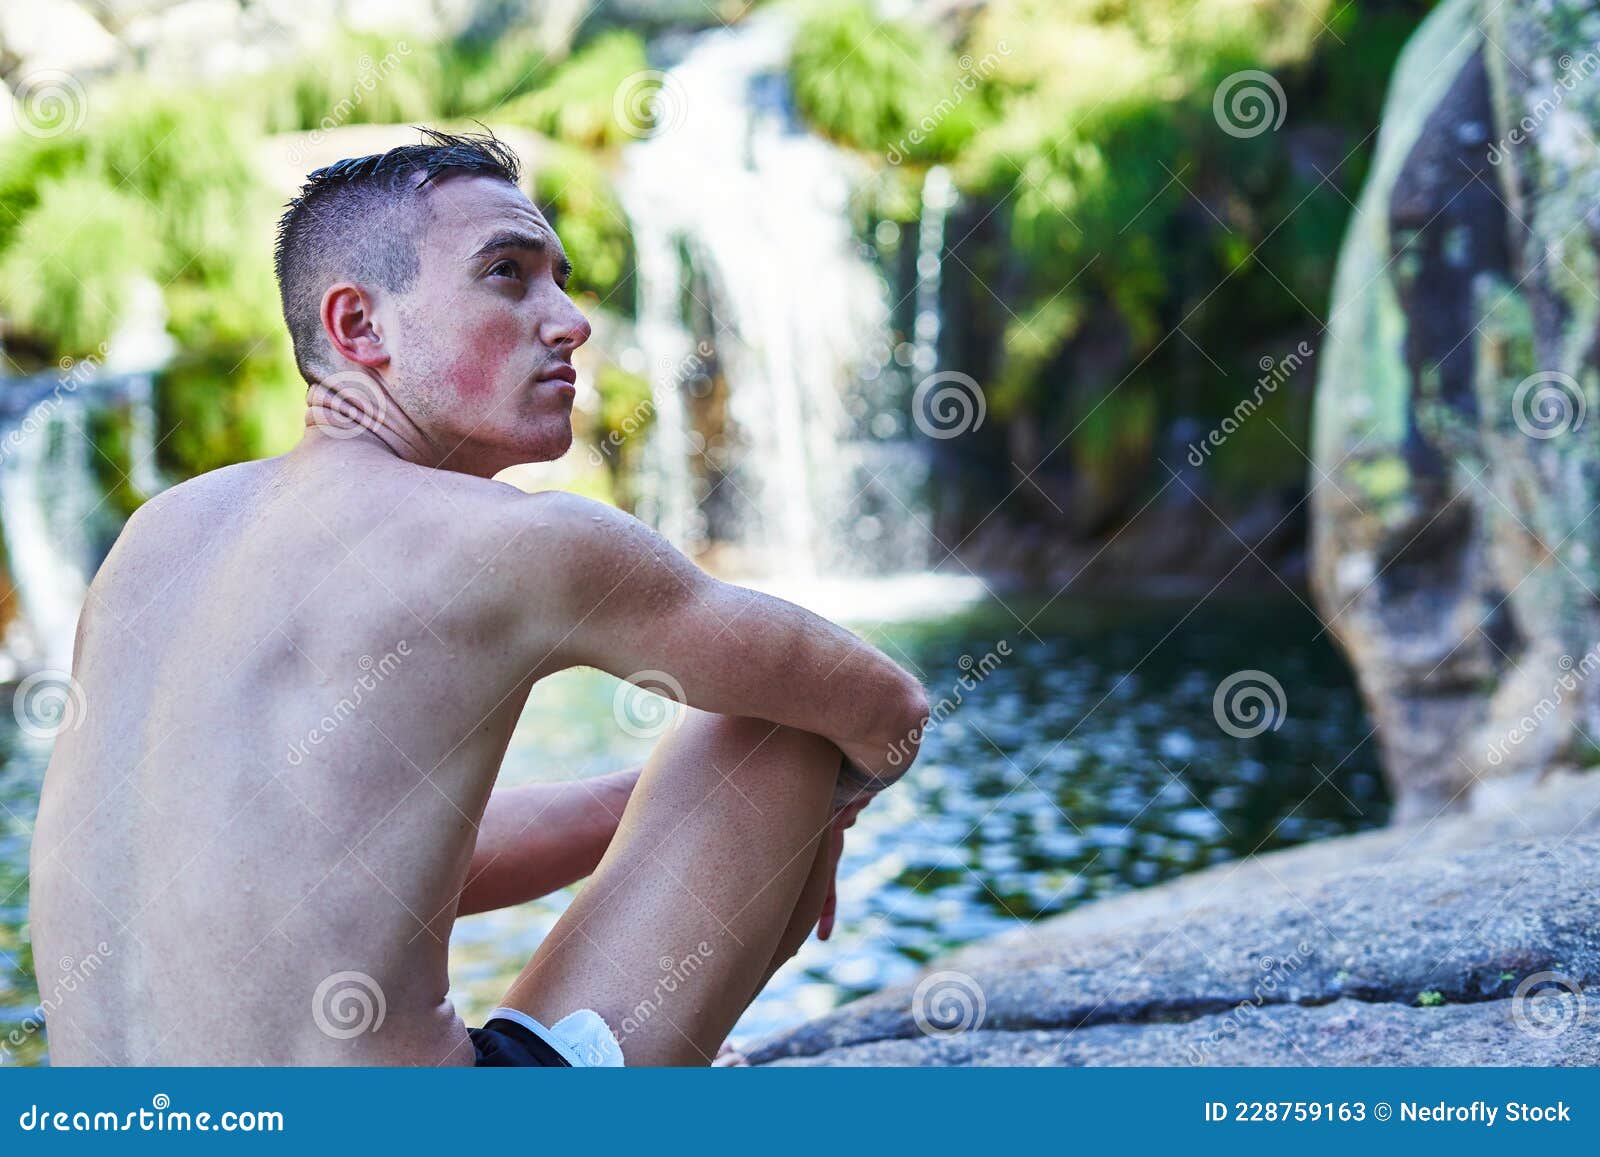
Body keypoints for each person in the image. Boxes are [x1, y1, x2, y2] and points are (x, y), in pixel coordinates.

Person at [27, 129, 929, 1067]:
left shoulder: (158, 535)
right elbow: (887, 707)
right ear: (358, 328)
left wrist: (662, 806)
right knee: (781, 727)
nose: (570, 320)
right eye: (508, 273)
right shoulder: (522, 538)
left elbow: (337, 863)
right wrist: (819, 803)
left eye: (563, 279)